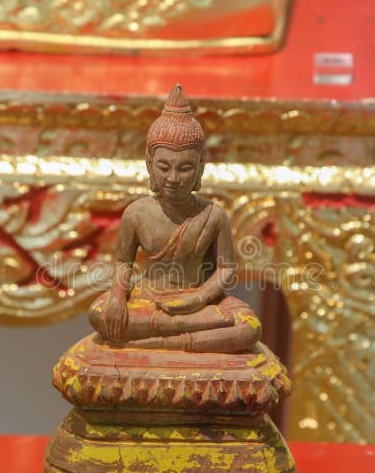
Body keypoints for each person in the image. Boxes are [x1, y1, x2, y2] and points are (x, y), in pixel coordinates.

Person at [88, 85, 261, 353]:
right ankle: (186, 342)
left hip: (198, 304)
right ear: (149, 163)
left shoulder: (213, 215)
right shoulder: (136, 213)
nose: (173, 178)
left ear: (201, 166)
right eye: (164, 166)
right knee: (98, 314)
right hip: (149, 300)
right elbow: (124, 261)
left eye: (185, 168)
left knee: (249, 328)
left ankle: (162, 342)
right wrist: (116, 299)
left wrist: (199, 297)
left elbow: (226, 269)